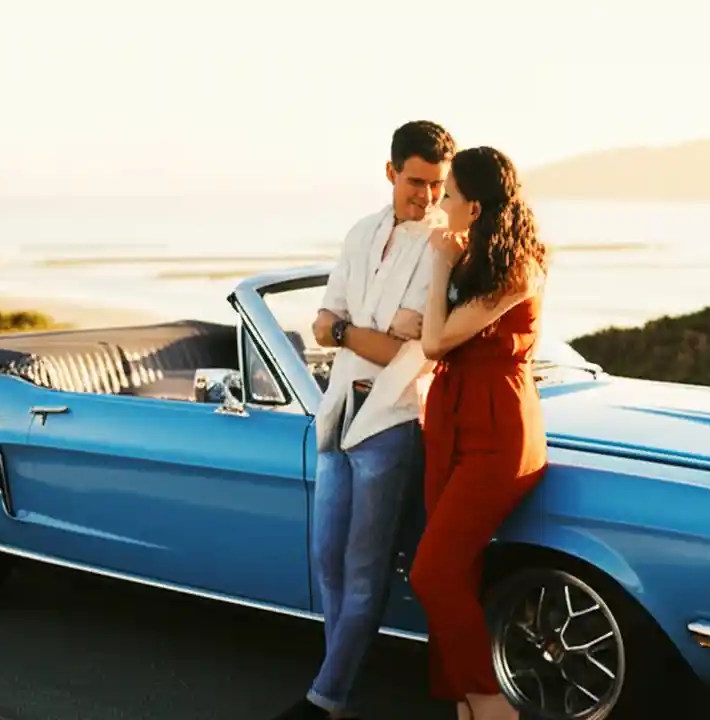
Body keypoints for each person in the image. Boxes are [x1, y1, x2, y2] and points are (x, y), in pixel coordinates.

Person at [273, 120, 455, 720]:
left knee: (363, 569)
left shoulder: (441, 250)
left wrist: (349, 332)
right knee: (326, 556)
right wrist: (354, 331)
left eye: (436, 185)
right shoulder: (360, 233)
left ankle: (324, 699)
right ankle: (340, 686)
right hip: (338, 411)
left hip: (394, 416)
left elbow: (404, 348)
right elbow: (324, 319)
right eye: (416, 182)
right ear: (391, 172)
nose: (426, 197)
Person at [409, 146, 549, 720]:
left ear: (475, 205)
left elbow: (435, 340)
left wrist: (439, 267)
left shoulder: (519, 267)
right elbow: (433, 329)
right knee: (456, 572)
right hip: (450, 417)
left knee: (431, 572)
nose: (440, 205)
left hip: (497, 430)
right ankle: (465, 708)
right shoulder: (479, 259)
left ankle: (493, 705)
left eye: (449, 196)